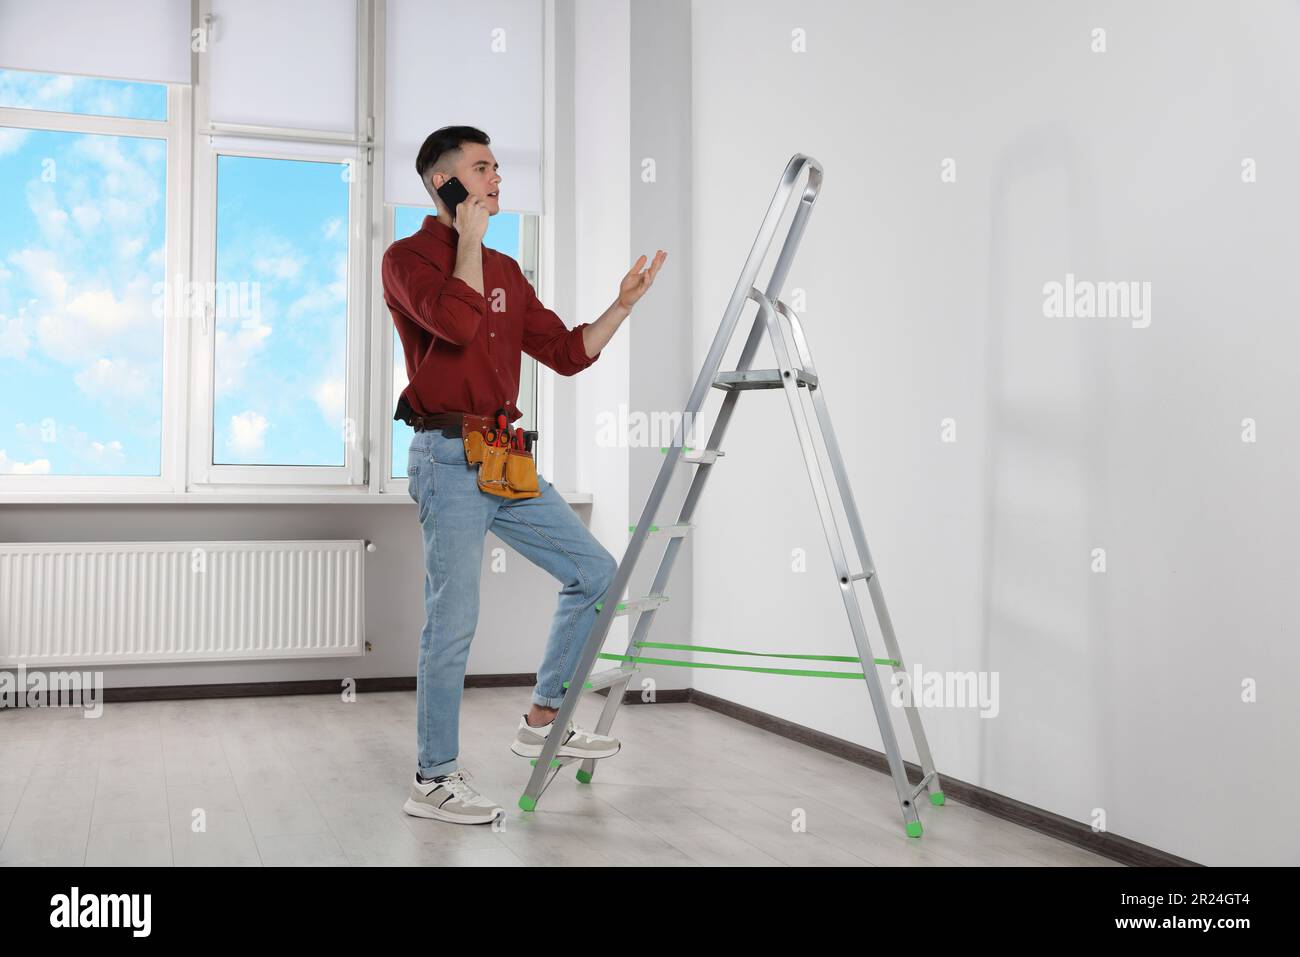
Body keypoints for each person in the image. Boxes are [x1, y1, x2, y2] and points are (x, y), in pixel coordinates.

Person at [381, 126, 667, 824]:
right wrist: (468, 242)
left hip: (504, 457)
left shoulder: (506, 270)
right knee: (454, 621)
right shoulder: (405, 259)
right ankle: (434, 776)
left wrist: (622, 304)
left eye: (497, 167)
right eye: (482, 168)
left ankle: (544, 714)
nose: (497, 178)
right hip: (447, 458)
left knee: (597, 571)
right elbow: (450, 323)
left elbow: (568, 352)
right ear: (441, 183)